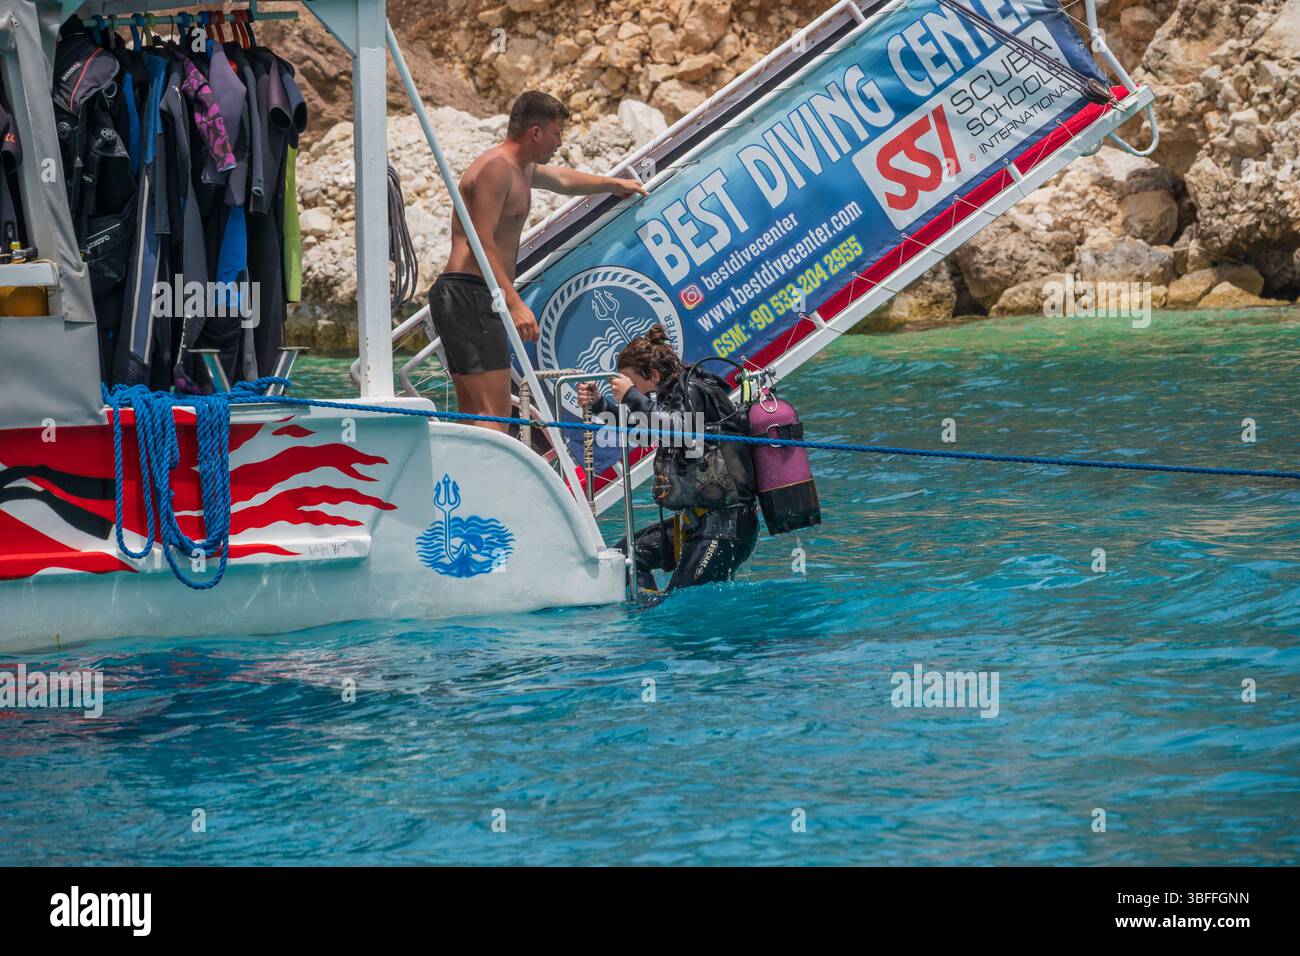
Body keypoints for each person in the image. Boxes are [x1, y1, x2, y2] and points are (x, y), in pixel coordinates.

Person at [428, 90, 648, 432]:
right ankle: (492, 484)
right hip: (470, 294)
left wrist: (612, 183)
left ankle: (465, 484)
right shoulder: (496, 169)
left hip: (469, 296)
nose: (559, 142)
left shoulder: (520, 169)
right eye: (557, 133)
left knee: (472, 414)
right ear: (535, 132)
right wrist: (514, 303)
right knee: (495, 417)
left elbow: (563, 180)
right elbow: (479, 239)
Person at [578, 326, 761, 593]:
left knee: (679, 598)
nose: (631, 392)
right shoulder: (670, 397)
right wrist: (601, 406)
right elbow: (646, 425)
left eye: (634, 383)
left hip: (726, 526)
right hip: (696, 522)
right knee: (627, 557)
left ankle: (659, 619)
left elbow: (678, 429)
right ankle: (648, 614)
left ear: (653, 375)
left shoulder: (693, 389)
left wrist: (630, 396)